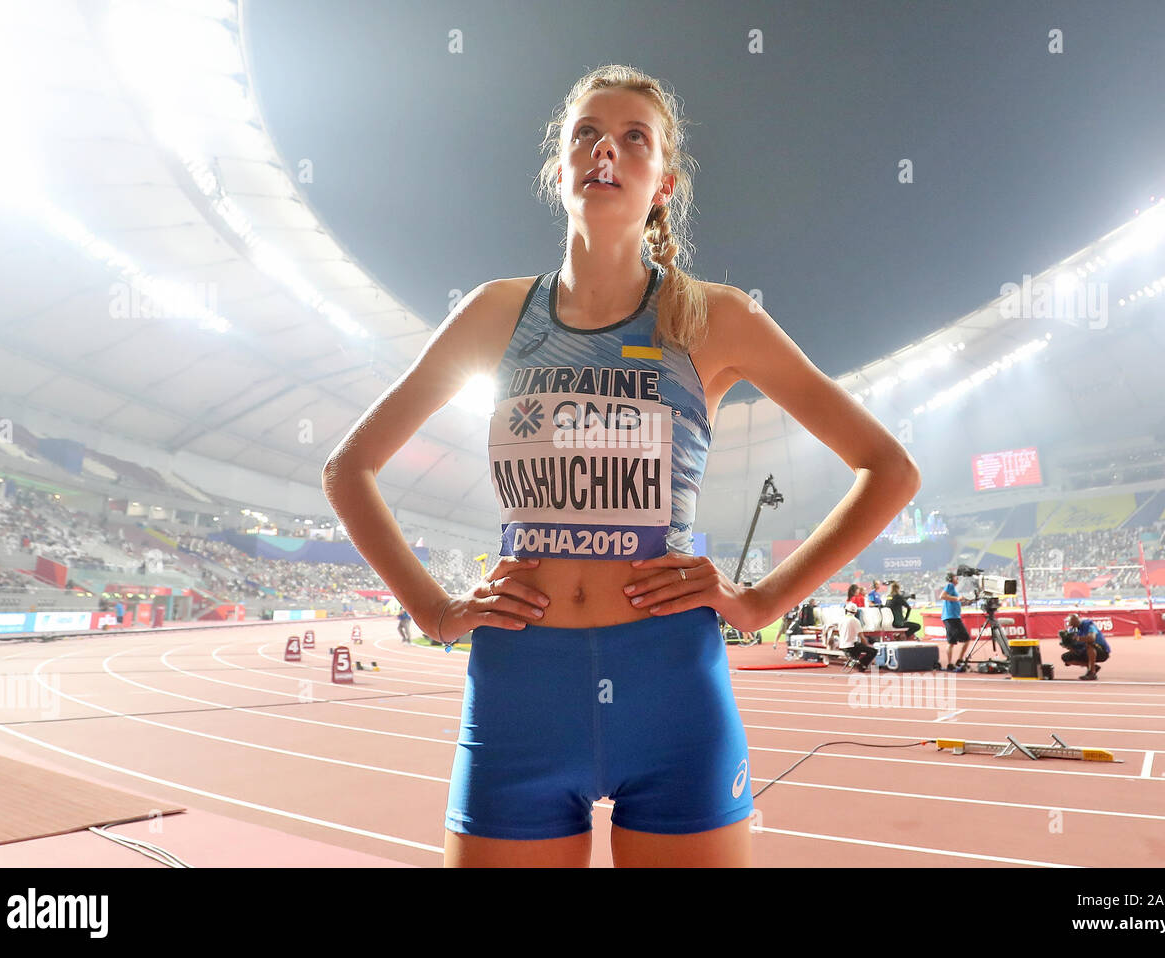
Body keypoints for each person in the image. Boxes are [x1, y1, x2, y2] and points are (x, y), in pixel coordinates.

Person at [320, 67, 920, 868]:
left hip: (671, 690)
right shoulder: (496, 315)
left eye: (634, 137)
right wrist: (433, 611)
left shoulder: (715, 318)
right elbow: (349, 466)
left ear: (663, 182)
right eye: (585, 133)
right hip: (519, 694)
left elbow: (888, 467)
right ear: (560, 170)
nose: (606, 147)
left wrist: (764, 601)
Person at [1062, 613, 1111, 680]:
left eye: (1073, 624)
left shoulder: (1089, 624)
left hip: (1101, 651)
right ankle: (1093, 667)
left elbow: (1092, 638)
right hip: (1084, 651)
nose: (1072, 627)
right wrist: (1069, 645)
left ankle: (1092, 673)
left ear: (1077, 621)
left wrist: (1077, 638)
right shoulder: (1073, 630)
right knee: (1066, 657)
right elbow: (1074, 646)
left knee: (1089, 645)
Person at [939, 572, 970, 671]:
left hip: (952, 617)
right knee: (966, 639)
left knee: (952, 642)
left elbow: (953, 601)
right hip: (952, 618)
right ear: (951, 579)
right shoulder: (950, 586)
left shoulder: (953, 589)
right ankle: (958, 660)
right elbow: (942, 596)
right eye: (956, 578)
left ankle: (952, 663)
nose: (957, 579)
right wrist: (957, 598)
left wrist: (965, 601)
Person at [839, 601, 876, 672]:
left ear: (846, 610)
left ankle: (858, 663)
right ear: (855, 612)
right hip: (851, 646)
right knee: (873, 651)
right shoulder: (855, 621)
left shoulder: (841, 620)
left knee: (859, 647)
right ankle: (861, 665)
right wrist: (867, 646)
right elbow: (862, 637)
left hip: (842, 645)